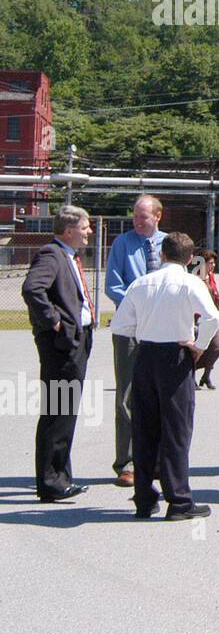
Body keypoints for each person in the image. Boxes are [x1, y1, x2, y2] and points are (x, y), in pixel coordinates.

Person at [110, 232, 219, 520]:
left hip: (146, 355)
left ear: (162, 254)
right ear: (189, 258)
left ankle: (144, 498)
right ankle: (179, 499)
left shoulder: (141, 283)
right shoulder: (190, 282)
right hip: (176, 355)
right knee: (177, 429)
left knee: (144, 428)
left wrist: (145, 331)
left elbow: (120, 325)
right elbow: (211, 317)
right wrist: (199, 347)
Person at [21, 206, 95, 503]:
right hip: (62, 346)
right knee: (58, 412)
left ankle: (61, 477)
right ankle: (52, 482)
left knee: (65, 412)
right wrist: (54, 322)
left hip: (76, 341)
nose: (89, 232)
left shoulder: (68, 255)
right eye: (86, 227)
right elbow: (32, 289)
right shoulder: (52, 254)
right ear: (69, 231)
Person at [104, 194, 167, 488]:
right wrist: (139, 306)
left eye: (143, 216)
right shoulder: (122, 244)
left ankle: (157, 461)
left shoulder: (171, 244)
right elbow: (113, 285)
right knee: (128, 395)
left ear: (158, 216)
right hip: (130, 328)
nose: (137, 221)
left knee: (162, 394)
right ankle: (126, 463)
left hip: (164, 330)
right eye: (135, 215)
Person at [193, 249, 219, 390]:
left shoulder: (211, 277)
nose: (213, 265)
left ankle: (206, 375)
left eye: (214, 262)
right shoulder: (195, 278)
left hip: (212, 317)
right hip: (198, 319)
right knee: (197, 349)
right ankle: (190, 375)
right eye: (210, 263)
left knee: (215, 348)